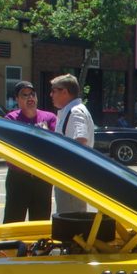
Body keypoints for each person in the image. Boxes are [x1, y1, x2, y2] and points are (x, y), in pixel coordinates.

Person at [3, 81, 57, 223]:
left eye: (32, 94)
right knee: (13, 221)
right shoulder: (11, 119)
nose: (30, 98)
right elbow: (11, 148)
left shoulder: (49, 118)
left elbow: (55, 147)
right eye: (25, 95)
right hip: (18, 178)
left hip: (42, 179)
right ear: (17, 99)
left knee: (40, 224)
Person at [50, 73, 95, 214]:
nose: (51, 95)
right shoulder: (70, 111)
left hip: (71, 177)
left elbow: (80, 141)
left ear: (64, 92)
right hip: (69, 177)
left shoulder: (75, 112)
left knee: (70, 221)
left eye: (54, 91)